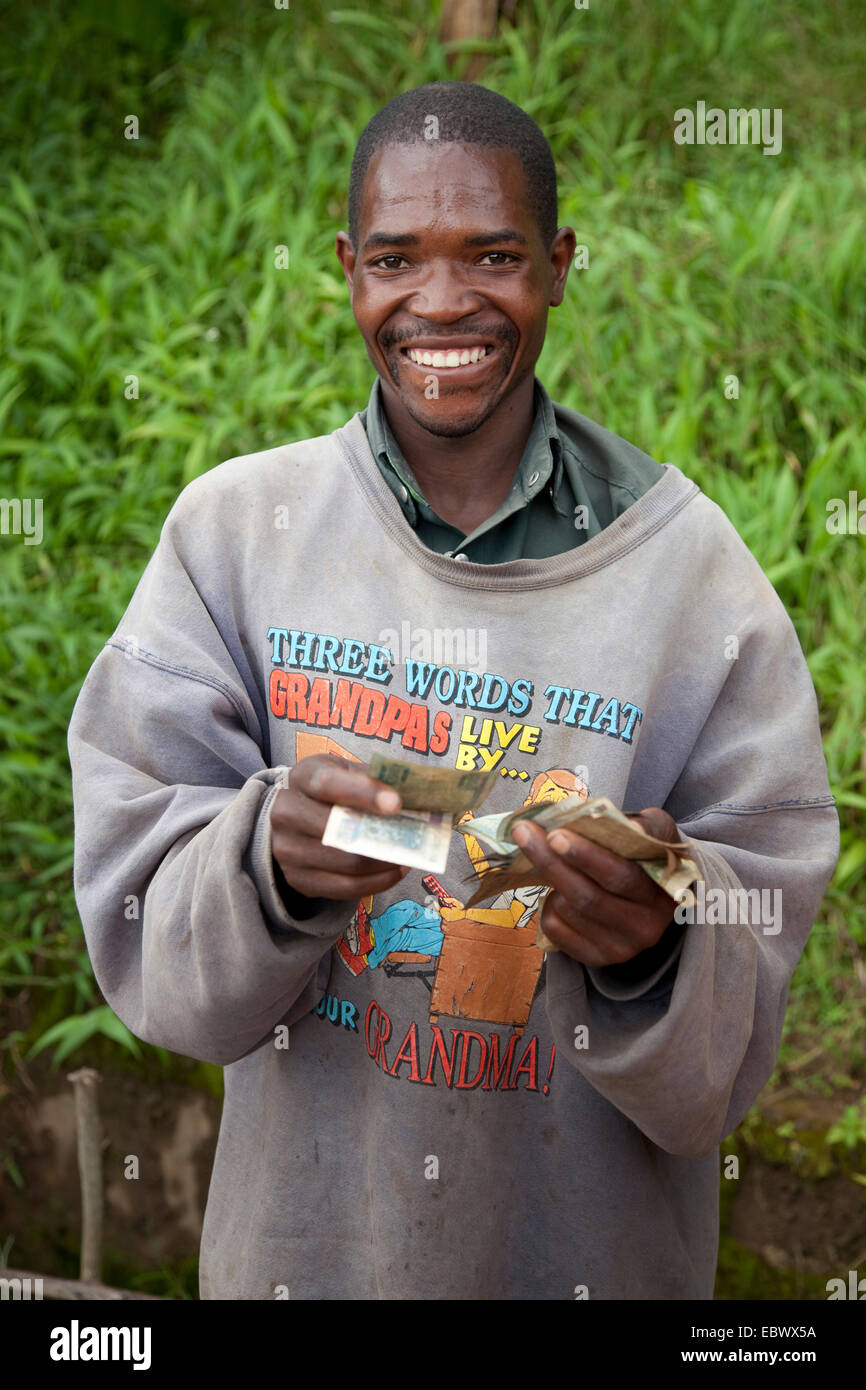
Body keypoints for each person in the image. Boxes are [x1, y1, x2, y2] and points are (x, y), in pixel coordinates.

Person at [67, 81, 839, 1300]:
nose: (441, 303)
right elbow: (143, 939)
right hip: (305, 1257)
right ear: (345, 270)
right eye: (394, 259)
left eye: (492, 255)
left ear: (559, 264)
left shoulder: (693, 581)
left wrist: (651, 948)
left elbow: (739, 991)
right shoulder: (236, 536)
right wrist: (262, 862)